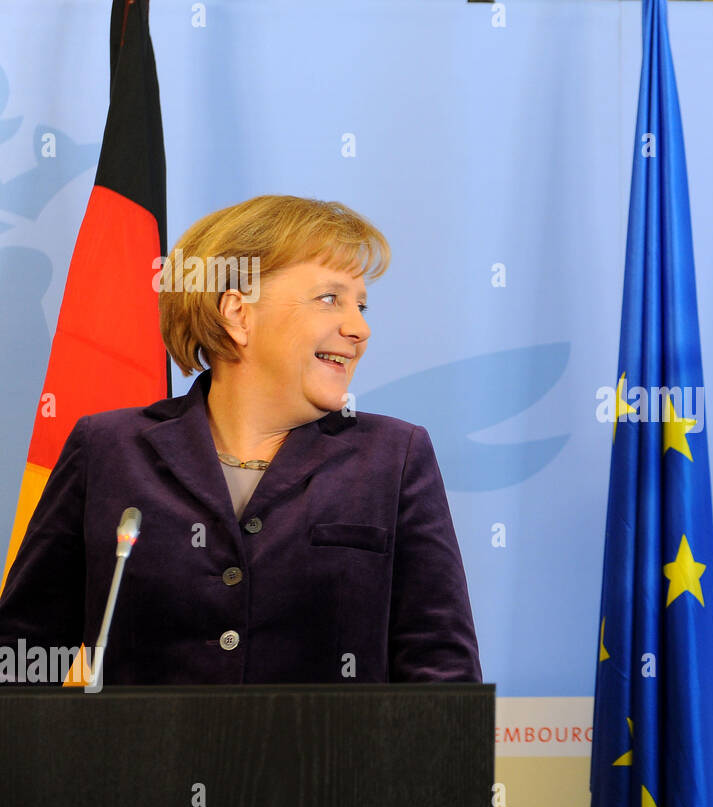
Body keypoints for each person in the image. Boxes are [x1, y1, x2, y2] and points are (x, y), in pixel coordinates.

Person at [0, 195, 481, 685]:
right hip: (137, 761)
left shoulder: (393, 458)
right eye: (329, 298)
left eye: (360, 305)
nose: (360, 328)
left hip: (332, 763)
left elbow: (440, 671)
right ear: (237, 313)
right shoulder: (108, 448)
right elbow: (21, 655)